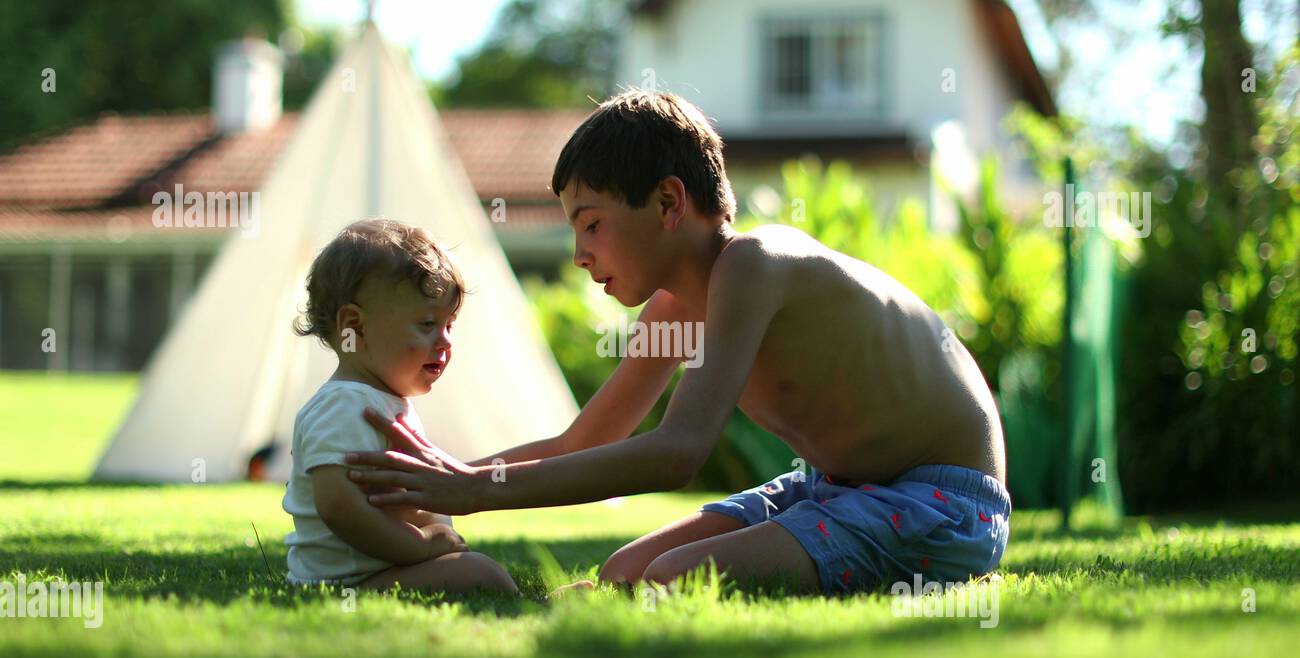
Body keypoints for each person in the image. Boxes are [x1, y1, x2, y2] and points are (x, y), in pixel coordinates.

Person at [347, 90, 1010, 596]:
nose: (579, 255)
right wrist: (443, 482)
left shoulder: (754, 265)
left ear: (668, 203)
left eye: (592, 225)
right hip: (834, 487)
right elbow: (585, 441)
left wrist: (475, 492)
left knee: (670, 577)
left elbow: (677, 453)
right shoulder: (673, 309)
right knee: (623, 572)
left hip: (940, 501)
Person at [281, 218, 517, 594]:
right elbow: (338, 504)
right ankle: (537, 605)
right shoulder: (345, 404)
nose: (445, 341)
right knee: (479, 574)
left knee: (473, 571)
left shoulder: (378, 399)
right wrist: (420, 546)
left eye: (449, 325)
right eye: (427, 323)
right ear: (355, 327)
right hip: (350, 582)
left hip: (380, 571)